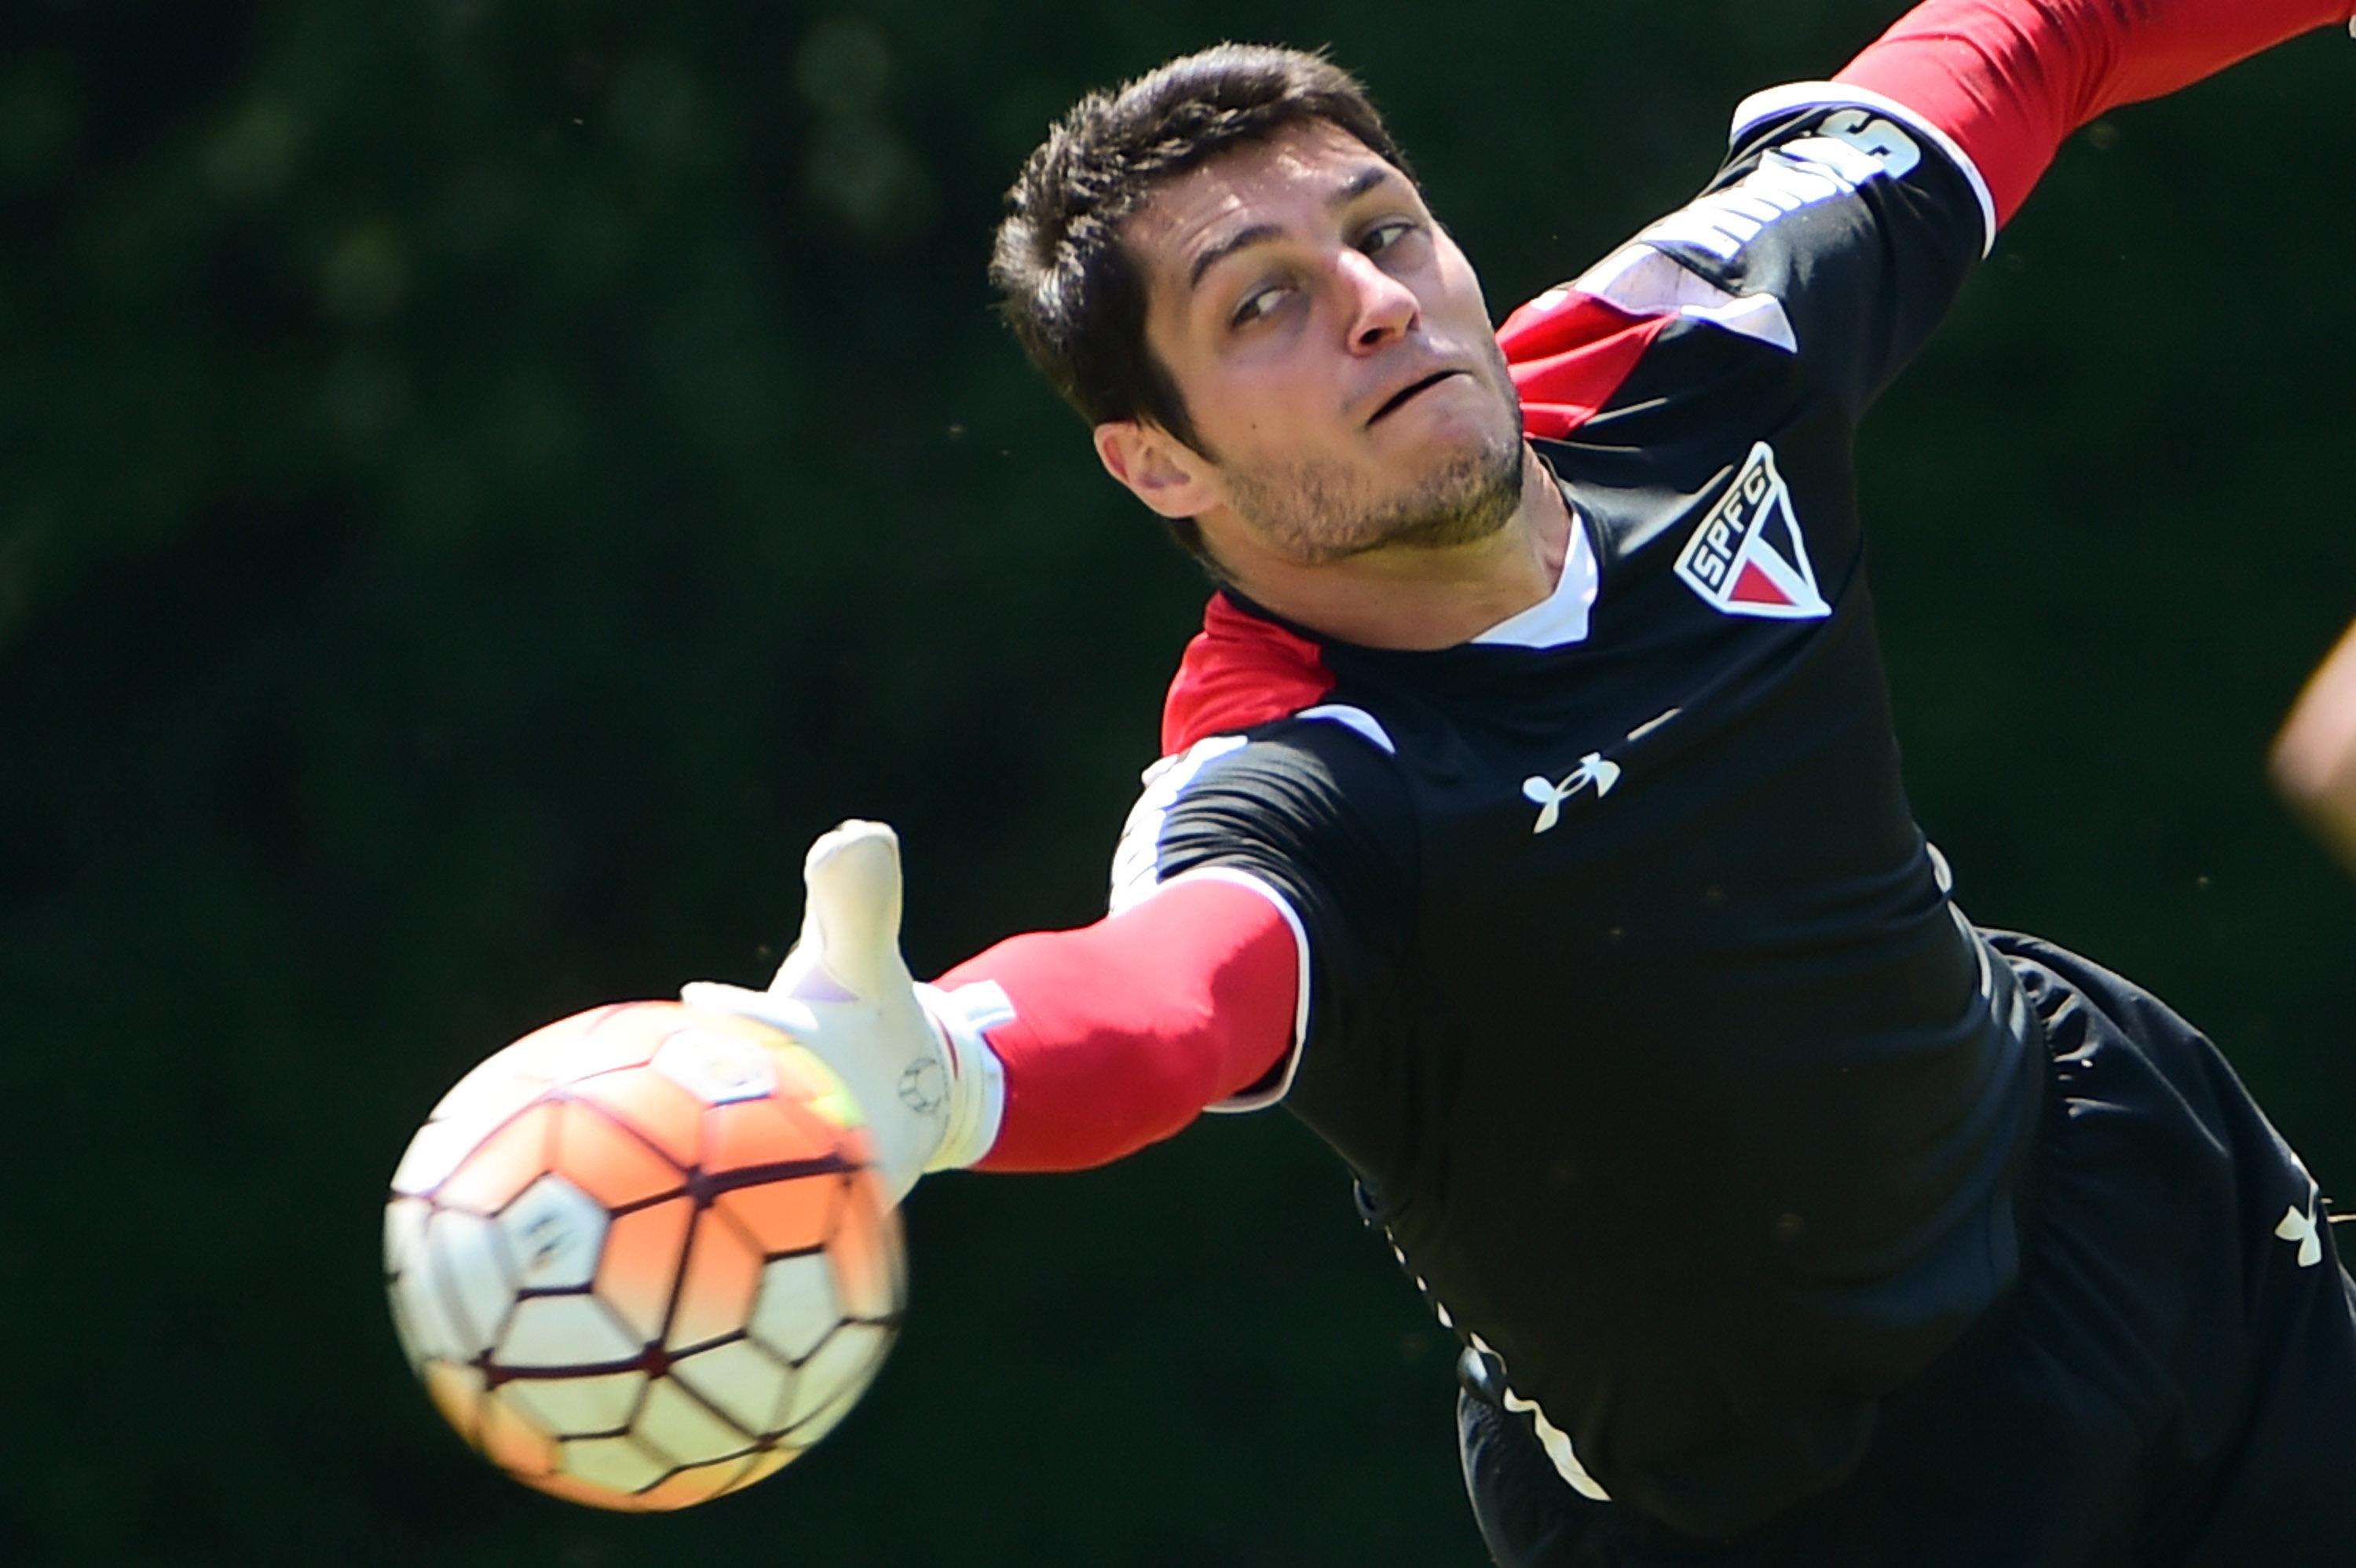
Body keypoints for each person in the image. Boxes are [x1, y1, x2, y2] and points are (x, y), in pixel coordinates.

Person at [686, 1, 2356, 1559]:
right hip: (1765, 1517)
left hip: (2128, 1218)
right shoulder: (1299, 774)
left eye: (1387, 229)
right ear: (1157, 461)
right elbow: (1169, 993)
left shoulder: (1704, 341)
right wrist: (945, 1068)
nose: (1375, 299)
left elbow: (2048, 32)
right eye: (1261, 303)